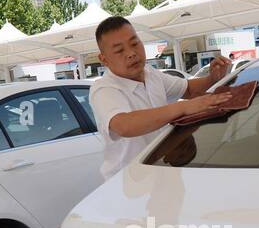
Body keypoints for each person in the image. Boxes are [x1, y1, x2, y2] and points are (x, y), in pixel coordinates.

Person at [89, 16, 233, 179]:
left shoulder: (150, 74)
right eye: (119, 50)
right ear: (104, 60)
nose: (131, 53)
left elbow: (189, 90)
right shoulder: (104, 89)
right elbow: (125, 125)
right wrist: (183, 107)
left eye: (135, 43)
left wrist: (212, 78)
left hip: (164, 173)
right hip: (128, 184)